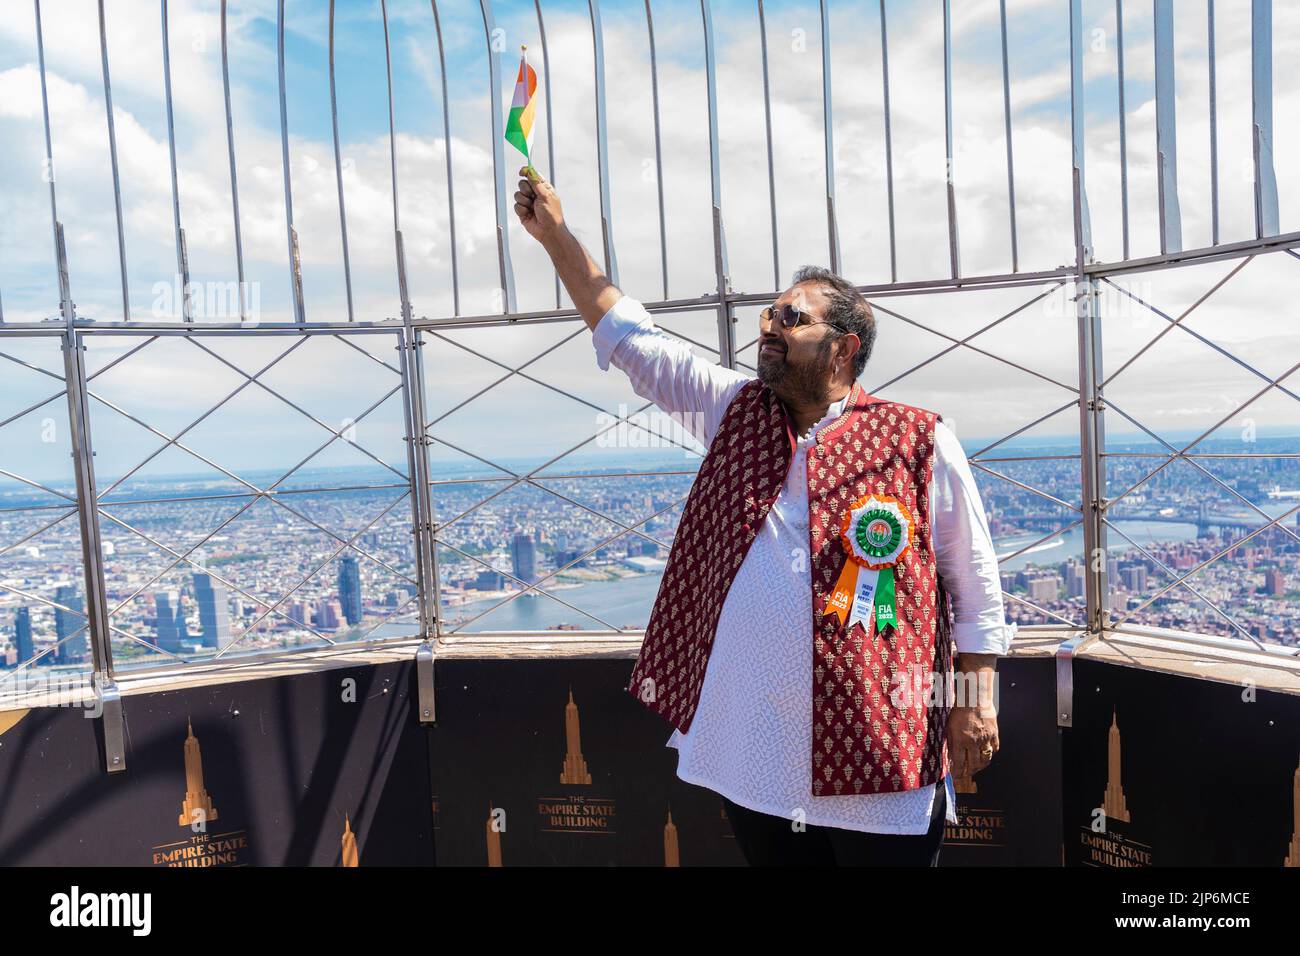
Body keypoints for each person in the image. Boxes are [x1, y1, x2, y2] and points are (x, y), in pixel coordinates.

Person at [513, 167, 1008, 867]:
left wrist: (975, 701)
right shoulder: (730, 410)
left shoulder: (921, 438)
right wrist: (556, 236)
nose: (770, 327)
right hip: (754, 746)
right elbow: (627, 333)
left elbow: (974, 579)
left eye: (792, 318)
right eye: (770, 316)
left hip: (880, 737)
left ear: (844, 349)